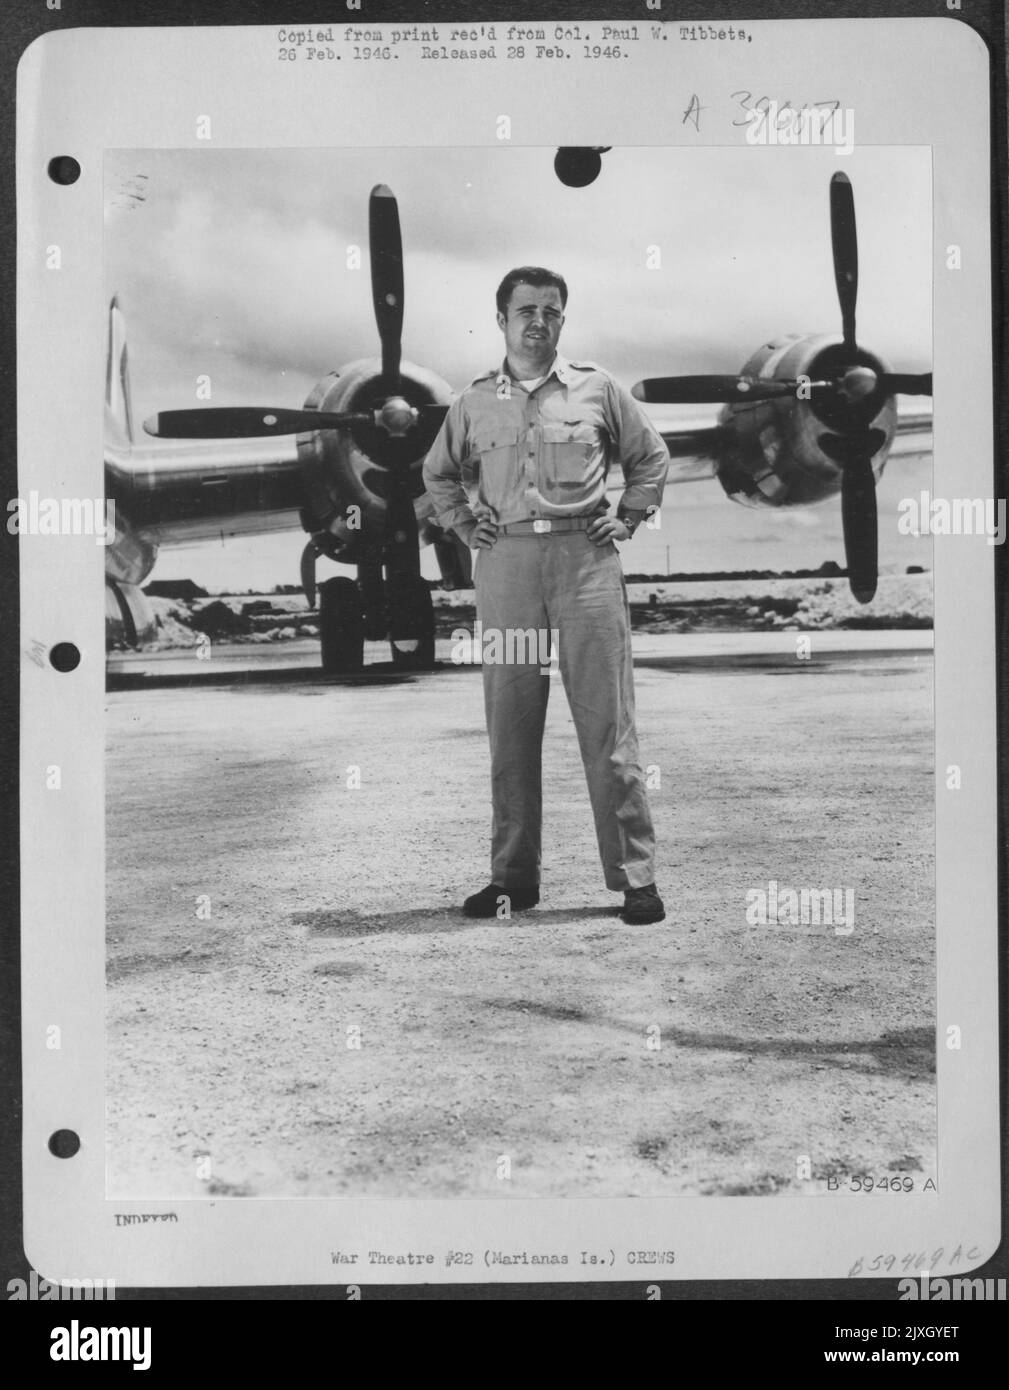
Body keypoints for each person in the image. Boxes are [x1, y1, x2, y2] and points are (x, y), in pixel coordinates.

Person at [422, 266, 669, 924]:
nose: (538, 321)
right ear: (500, 319)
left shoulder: (597, 389)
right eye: (525, 310)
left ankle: (634, 878)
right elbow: (437, 474)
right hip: (506, 565)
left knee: (606, 726)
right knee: (511, 724)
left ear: (562, 320)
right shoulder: (472, 402)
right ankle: (512, 878)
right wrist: (461, 524)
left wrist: (630, 513)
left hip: (585, 562)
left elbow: (650, 454)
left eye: (551, 311)